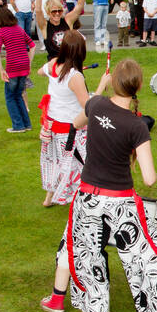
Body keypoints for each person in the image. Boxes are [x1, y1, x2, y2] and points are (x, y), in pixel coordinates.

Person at [40, 58, 157, 312]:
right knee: (146, 253)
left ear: (114, 81)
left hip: (87, 197)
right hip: (119, 200)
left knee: (80, 248)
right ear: (138, 86)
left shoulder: (96, 104)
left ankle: (77, 300)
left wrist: (98, 93)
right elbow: (149, 179)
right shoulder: (136, 125)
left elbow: (77, 123)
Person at [38, 29, 93, 207]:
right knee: (80, 164)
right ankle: (80, 199)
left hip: (52, 126)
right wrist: (101, 87)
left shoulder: (53, 64)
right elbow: (88, 106)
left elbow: (41, 71)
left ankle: (49, 198)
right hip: (70, 129)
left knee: (55, 162)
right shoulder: (74, 76)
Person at [0, 6, 37, 133]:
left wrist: (1, 70)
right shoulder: (19, 29)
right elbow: (32, 46)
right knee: (19, 95)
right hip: (24, 65)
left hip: (12, 66)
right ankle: (26, 123)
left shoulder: (1, 32)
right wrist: (29, 62)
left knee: (10, 96)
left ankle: (18, 125)